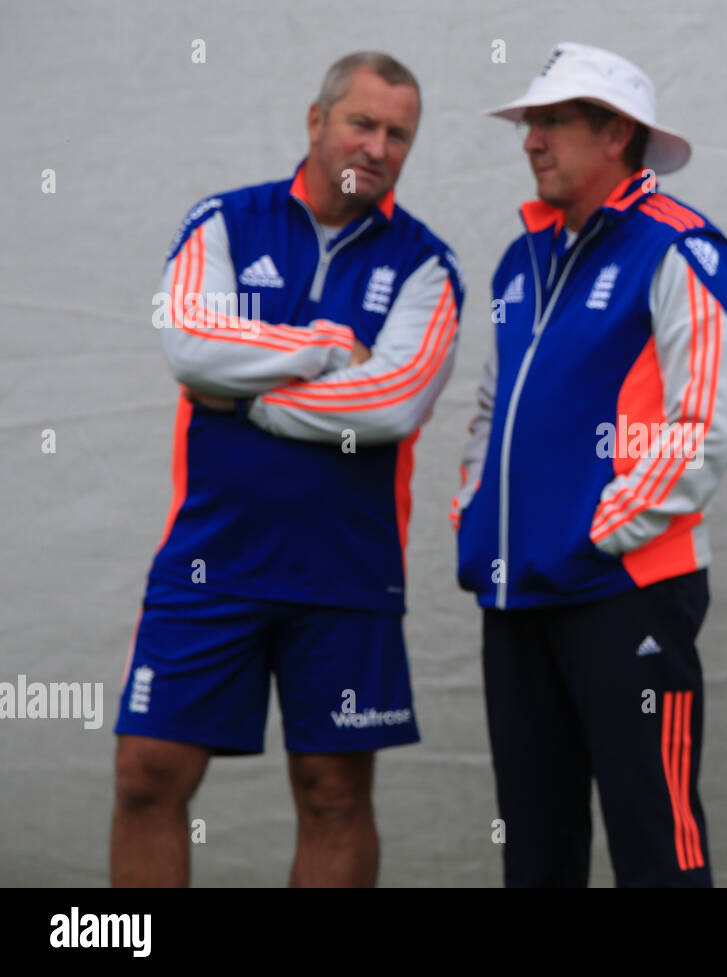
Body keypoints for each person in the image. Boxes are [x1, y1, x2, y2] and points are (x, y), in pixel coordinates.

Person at [111, 52, 462, 887]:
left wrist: (246, 398)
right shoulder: (225, 222)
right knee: (148, 771)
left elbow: (393, 402)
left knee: (332, 791)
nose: (377, 147)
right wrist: (330, 346)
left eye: (398, 134)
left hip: (347, 567)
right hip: (212, 556)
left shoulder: (426, 265)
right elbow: (190, 342)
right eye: (362, 123)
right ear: (316, 120)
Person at [451, 42, 727, 887]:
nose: (530, 140)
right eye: (529, 123)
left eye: (550, 121)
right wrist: (478, 514)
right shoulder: (523, 258)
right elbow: (489, 409)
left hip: (627, 592)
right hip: (518, 594)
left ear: (615, 132)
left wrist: (596, 533)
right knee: (536, 855)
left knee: (656, 845)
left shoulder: (680, 246)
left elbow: (705, 424)